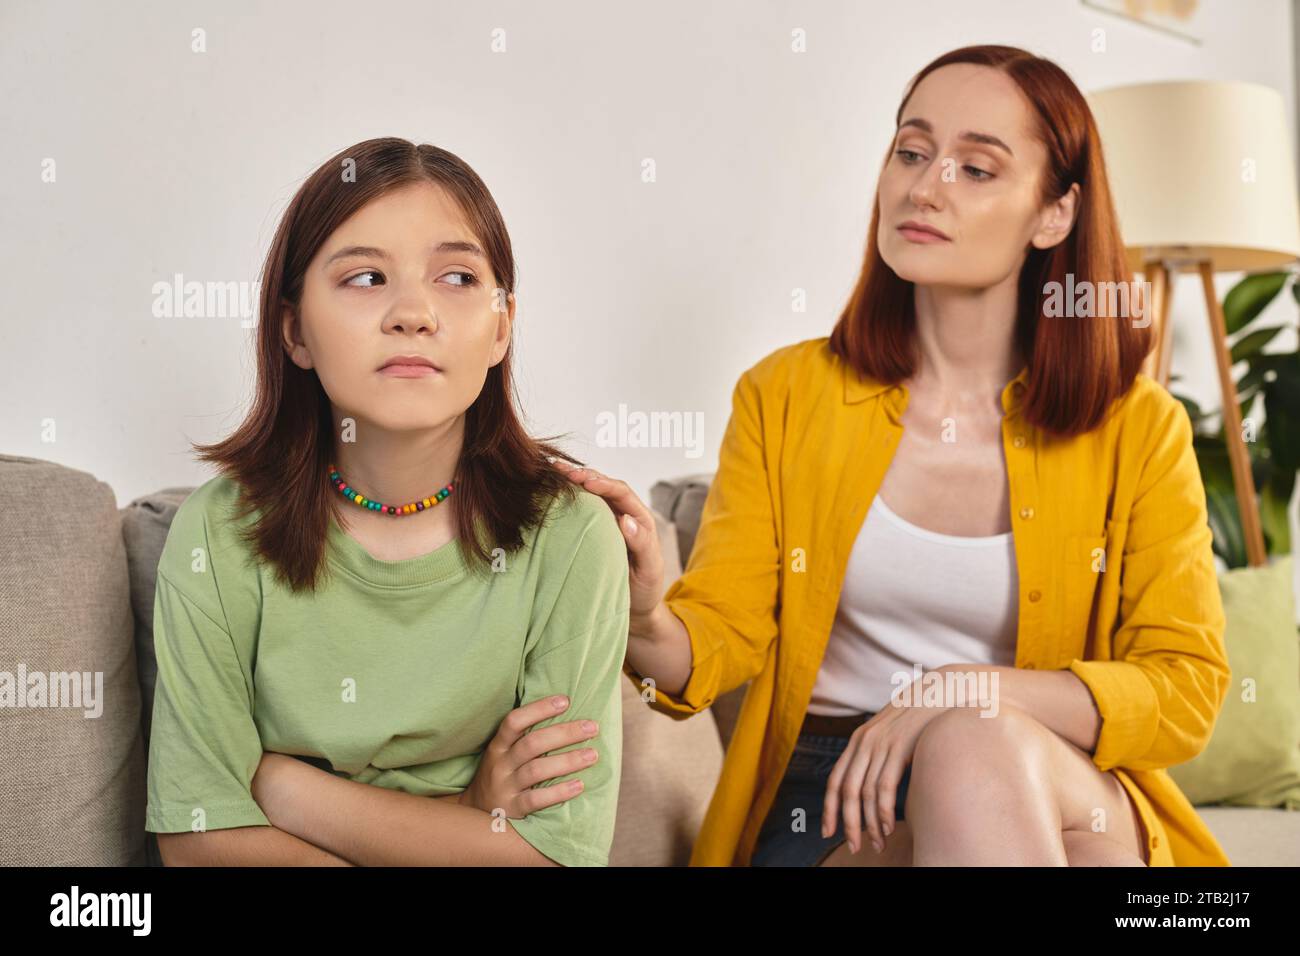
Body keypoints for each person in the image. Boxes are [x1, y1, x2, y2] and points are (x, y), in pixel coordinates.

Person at [558, 44, 1231, 867]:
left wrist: (965, 694)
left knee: (975, 745)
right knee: (971, 764)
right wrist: (643, 613)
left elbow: (1185, 689)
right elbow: (717, 640)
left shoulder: (1139, 428)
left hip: (1061, 786)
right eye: (911, 153)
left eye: (976, 169)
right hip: (837, 796)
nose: (925, 186)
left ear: (1054, 214)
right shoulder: (785, 395)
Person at [145, 137, 629, 866]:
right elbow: (198, 843)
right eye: (367, 277)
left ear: (501, 326)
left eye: (458, 277)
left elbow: (556, 856)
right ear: (294, 330)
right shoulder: (217, 531)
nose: (414, 313)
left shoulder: (572, 537)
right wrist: (463, 818)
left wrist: (286, 790)